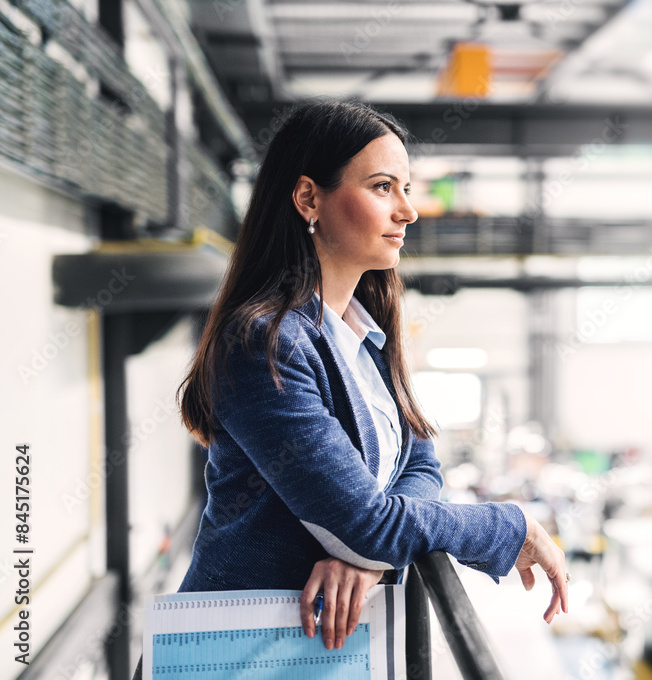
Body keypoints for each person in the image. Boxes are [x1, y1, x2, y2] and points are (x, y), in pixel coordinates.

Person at [131, 99, 567, 679]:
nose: (409, 211)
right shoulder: (264, 344)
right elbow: (366, 524)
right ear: (309, 199)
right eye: (384, 187)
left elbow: (418, 464)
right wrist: (506, 526)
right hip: (231, 656)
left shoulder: (362, 332)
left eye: (406, 188)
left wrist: (365, 553)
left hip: (307, 652)